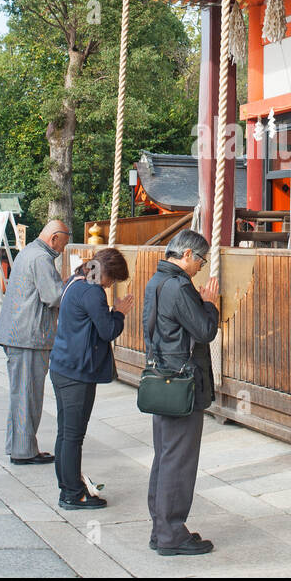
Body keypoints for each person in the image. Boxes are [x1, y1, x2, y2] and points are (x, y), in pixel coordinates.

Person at [143, 229, 220, 556]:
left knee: (165, 455)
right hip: (182, 382)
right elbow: (204, 331)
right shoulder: (179, 287)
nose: (201, 266)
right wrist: (209, 304)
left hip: (162, 378)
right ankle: (172, 533)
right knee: (179, 459)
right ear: (187, 255)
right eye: (200, 259)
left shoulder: (155, 282)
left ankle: (161, 529)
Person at [49, 247, 132, 509]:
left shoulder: (74, 281)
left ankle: (69, 486)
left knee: (65, 433)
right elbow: (108, 331)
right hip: (78, 372)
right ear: (107, 273)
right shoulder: (93, 292)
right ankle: (72, 495)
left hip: (61, 365)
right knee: (74, 436)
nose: (111, 285)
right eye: (114, 279)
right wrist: (119, 312)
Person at [0, 220, 70, 466]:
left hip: (20, 333)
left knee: (23, 394)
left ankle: (21, 446)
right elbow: (53, 295)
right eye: (63, 243)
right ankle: (23, 451)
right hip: (28, 336)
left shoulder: (29, 252)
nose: (62, 249)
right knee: (27, 394)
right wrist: (75, 285)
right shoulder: (40, 258)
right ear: (55, 238)